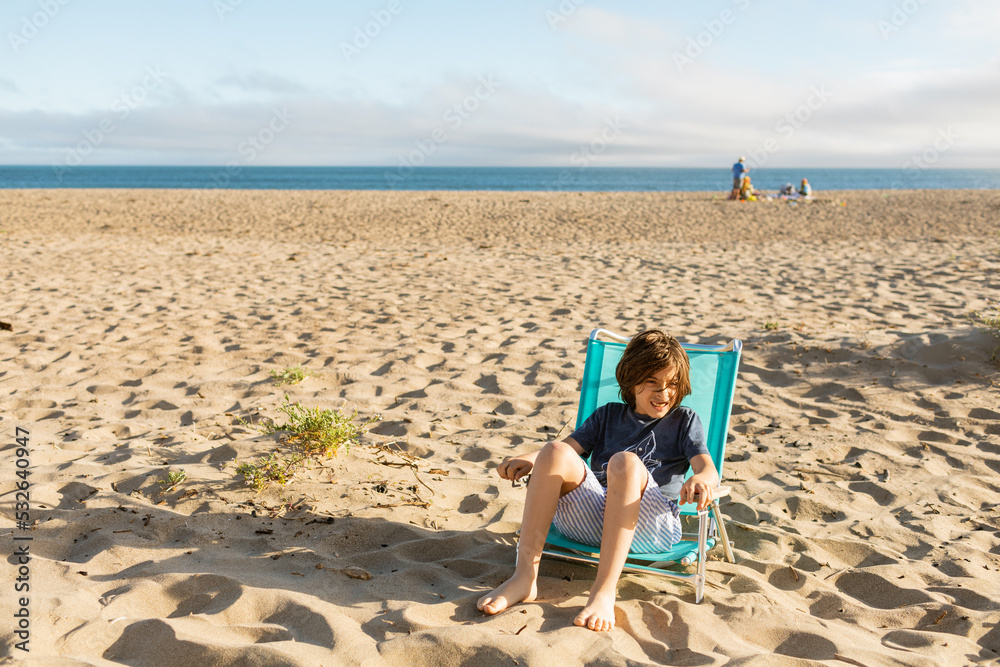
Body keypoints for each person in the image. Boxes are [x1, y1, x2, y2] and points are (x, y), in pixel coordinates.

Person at [477, 330, 719, 632]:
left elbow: (708, 468)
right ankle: (525, 577)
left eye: (672, 384)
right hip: (591, 520)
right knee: (554, 450)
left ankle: (603, 590)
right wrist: (529, 458)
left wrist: (702, 479)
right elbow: (565, 450)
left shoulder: (684, 420)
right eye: (653, 382)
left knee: (625, 462)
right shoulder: (608, 416)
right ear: (631, 381)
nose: (664, 392)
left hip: (651, 526)